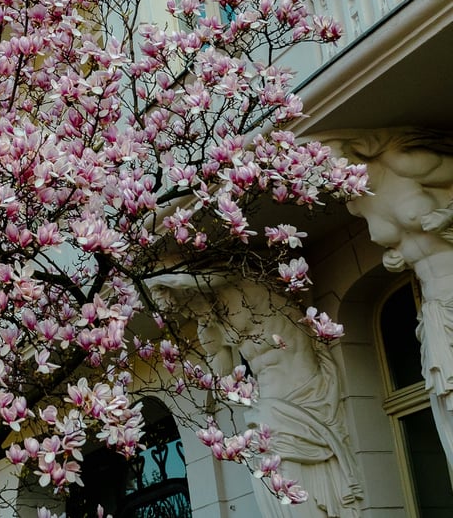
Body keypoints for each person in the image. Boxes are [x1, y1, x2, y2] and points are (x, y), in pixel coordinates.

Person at [151, 275, 363, 518]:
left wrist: (164, 277)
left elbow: (214, 274)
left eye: (185, 307)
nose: (189, 315)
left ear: (189, 290)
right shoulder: (211, 321)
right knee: (270, 479)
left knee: (288, 479)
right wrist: (213, 346)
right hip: (269, 407)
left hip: (302, 394)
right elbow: (226, 382)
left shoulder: (246, 291)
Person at [324, 128, 453, 468]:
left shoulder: (403, 163)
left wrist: (447, 215)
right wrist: (395, 255)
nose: (333, 178)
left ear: (350, 153)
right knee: (448, 398)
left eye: (333, 166)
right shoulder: (356, 202)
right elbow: (402, 241)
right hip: (435, 305)